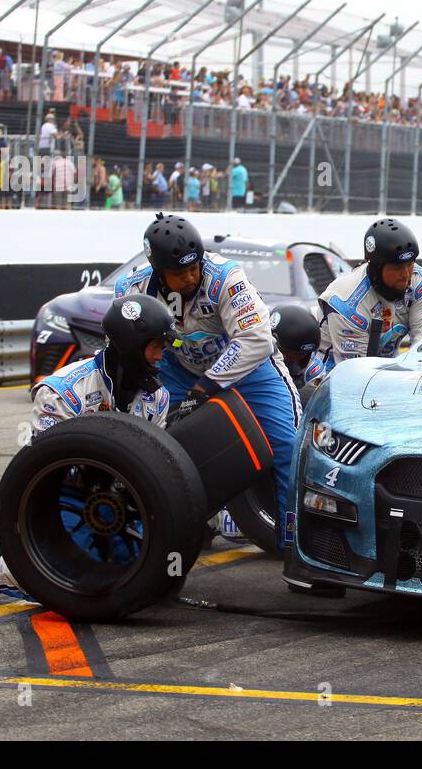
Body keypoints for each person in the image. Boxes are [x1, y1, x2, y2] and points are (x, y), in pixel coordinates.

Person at [0, 294, 179, 603]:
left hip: (121, 498)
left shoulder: (157, 398)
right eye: (155, 347)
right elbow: (46, 471)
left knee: (157, 574)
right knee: (80, 579)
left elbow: (155, 463)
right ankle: (1, 567)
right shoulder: (62, 392)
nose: (161, 356)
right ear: (131, 345)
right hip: (65, 495)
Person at [114, 214, 301, 547]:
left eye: (193, 267)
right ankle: (180, 527)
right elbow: (123, 343)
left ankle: (294, 544)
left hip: (249, 368)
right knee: (151, 445)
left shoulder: (227, 278)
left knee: (288, 446)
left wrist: (204, 389)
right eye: (178, 272)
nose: (188, 277)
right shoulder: (133, 288)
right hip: (178, 367)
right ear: (158, 271)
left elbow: (256, 341)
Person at [305, 218, 422, 387]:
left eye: (410, 264)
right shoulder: (346, 301)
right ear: (376, 266)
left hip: (384, 370)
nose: (406, 274)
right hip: (329, 376)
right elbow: (355, 378)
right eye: (397, 268)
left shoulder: (419, 281)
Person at [270, 303, 321, 389]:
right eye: (290, 355)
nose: (295, 361)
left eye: (301, 355)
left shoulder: (314, 370)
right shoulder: (258, 366)